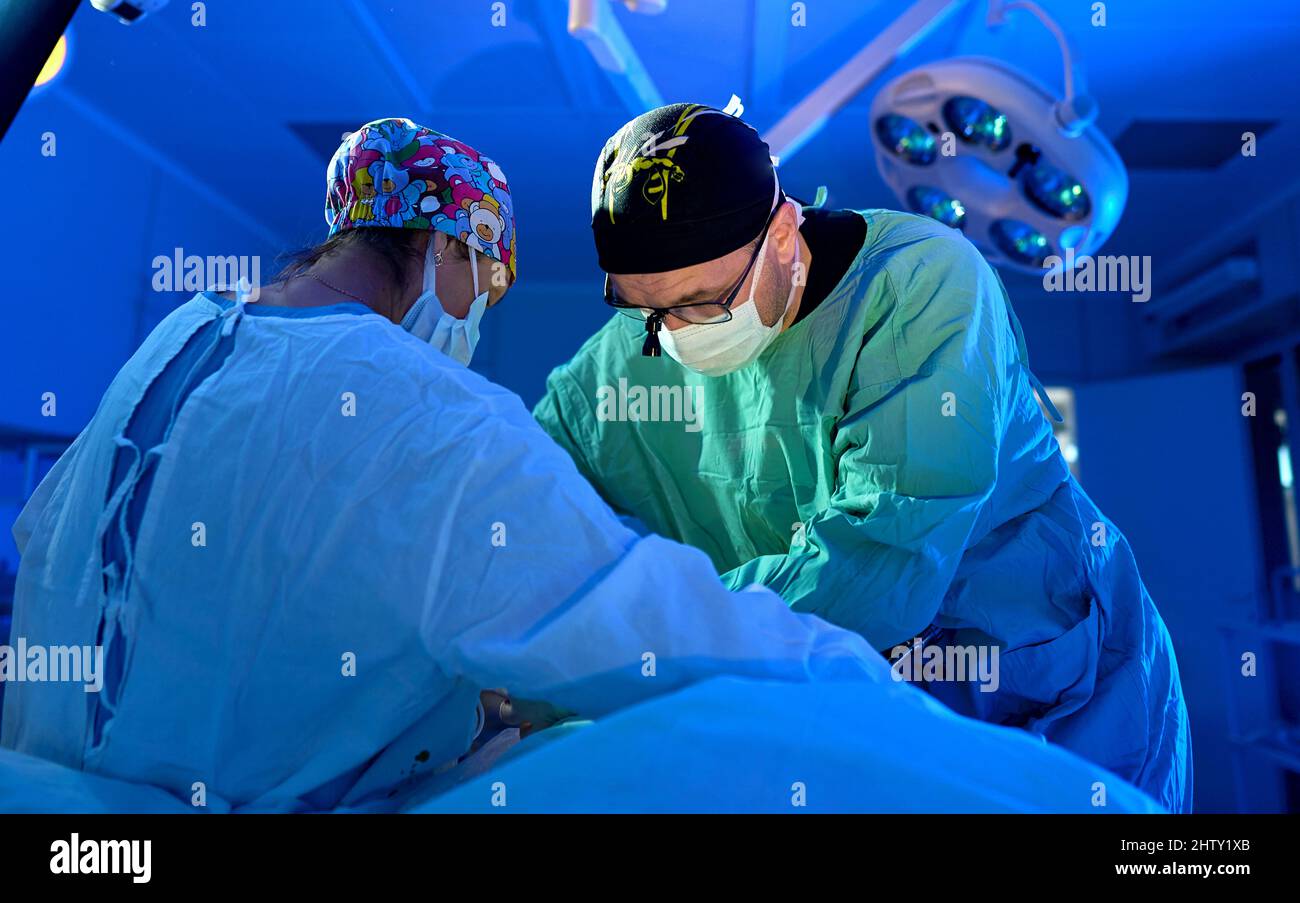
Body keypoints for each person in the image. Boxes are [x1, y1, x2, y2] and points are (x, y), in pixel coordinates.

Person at [0, 118, 889, 811]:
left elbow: (122, 571)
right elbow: (639, 622)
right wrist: (853, 676)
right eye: (486, 289)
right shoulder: (414, 402)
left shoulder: (176, 344)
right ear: (449, 246)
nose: (474, 321)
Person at [532, 103, 1192, 811]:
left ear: (783, 232)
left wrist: (635, 639)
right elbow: (514, 490)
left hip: (1041, 681)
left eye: (702, 303)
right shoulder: (636, 347)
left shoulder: (921, 285)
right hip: (852, 703)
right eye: (643, 309)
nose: (673, 336)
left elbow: (879, 566)